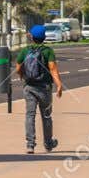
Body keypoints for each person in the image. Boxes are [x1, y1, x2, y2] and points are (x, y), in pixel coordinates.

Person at [17, 23, 64, 154]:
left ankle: (30, 144)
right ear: (44, 37)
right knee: (46, 116)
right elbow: (53, 69)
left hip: (29, 87)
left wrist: (22, 76)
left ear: (31, 37)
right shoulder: (47, 51)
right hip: (44, 88)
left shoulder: (26, 51)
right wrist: (59, 84)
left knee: (30, 115)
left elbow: (18, 67)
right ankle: (48, 144)